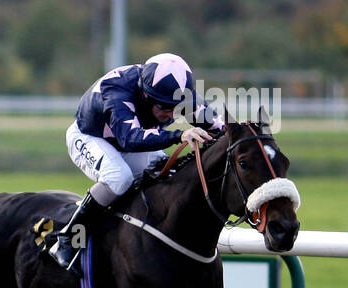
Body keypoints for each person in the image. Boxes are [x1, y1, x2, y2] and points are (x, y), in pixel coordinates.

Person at [48, 52, 224, 273]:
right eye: (164, 107)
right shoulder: (117, 90)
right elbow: (129, 139)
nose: (170, 115)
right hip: (90, 136)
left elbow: (221, 128)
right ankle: (68, 239)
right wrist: (178, 135)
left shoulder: (177, 93)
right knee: (119, 177)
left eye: (176, 108)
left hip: (125, 140)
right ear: (145, 94)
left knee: (166, 173)